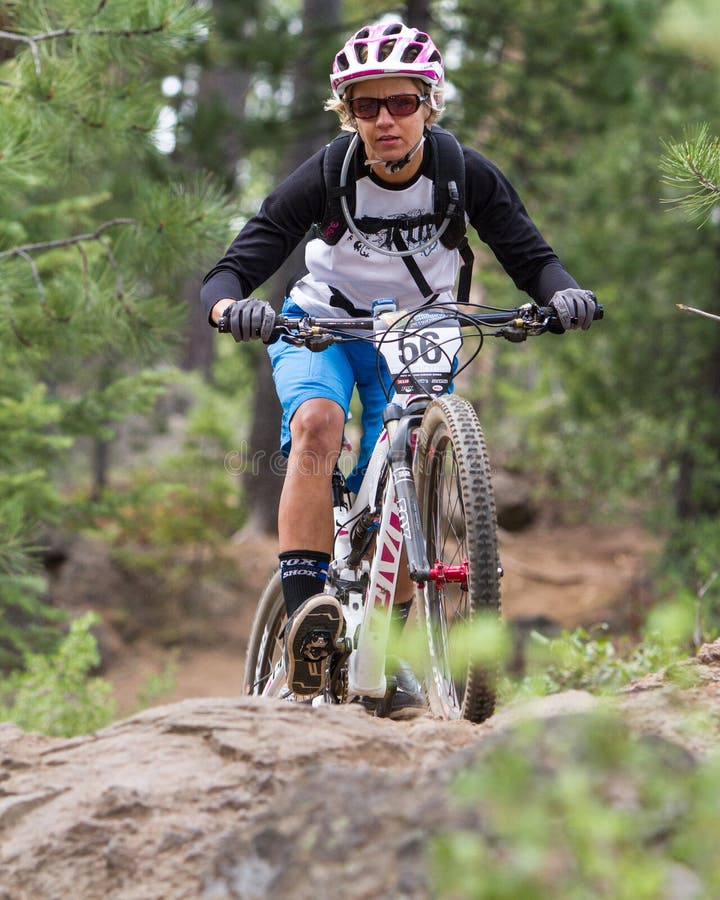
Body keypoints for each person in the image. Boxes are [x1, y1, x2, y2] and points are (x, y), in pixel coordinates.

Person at [200, 21, 597, 701]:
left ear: (429, 103)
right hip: (320, 324)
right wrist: (229, 307)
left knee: (408, 463)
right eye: (366, 105)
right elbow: (234, 267)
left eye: (402, 103)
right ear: (347, 111)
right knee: (318, 427)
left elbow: (532, 258)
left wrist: (565, 297)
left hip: (420, 328)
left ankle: (386, 645)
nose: (385, 119)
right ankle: (307, 625)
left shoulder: (463, 173)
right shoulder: (328, 173)